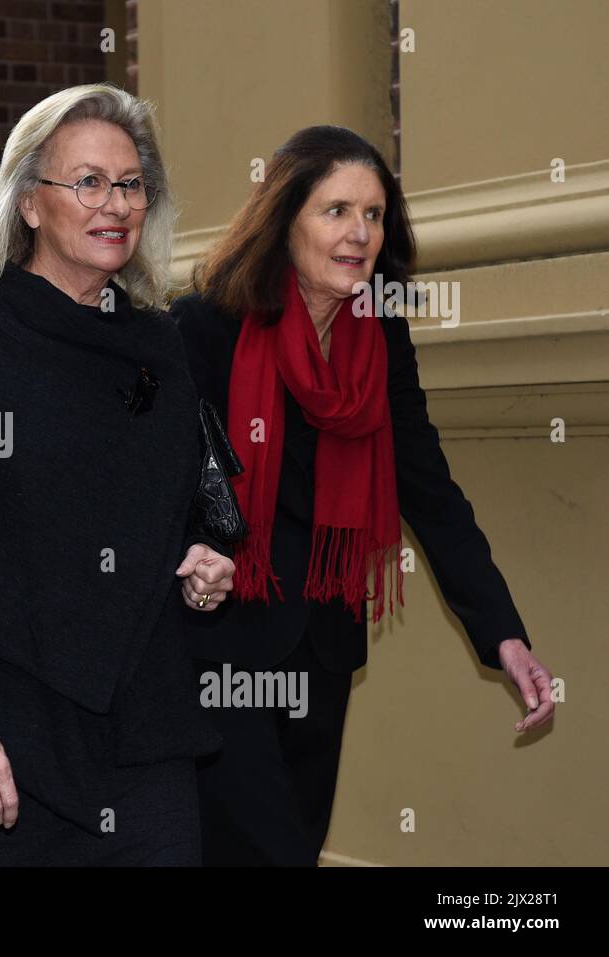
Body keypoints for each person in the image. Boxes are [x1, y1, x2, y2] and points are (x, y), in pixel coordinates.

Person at [0, 83, 235, 866]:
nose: (117, 204)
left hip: (142, 728)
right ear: (30, 203)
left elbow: (178, 497)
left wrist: (204, 552)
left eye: (132, 183)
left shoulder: (158, 341)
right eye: (89, 181)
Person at [172, 125, 556, 866]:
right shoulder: (205, 328)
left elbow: (430, 490)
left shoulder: (380, 337)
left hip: (322, 645)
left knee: (298, 842)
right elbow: (162, 475)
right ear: (285, 220)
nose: (360, 234)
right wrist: (192, 553)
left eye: (375, 214)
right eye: (336, 210)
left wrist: (503, 634)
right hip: (221, 645)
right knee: (263, 849)